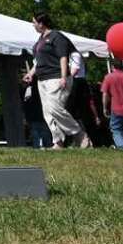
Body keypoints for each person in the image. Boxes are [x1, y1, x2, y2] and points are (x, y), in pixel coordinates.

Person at [25, 12, 90, 149]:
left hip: (56, 77)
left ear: (41, 23)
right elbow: (38, 61)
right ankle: (58, 142)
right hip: (42, 80)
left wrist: (63, 76)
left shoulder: (57, 37)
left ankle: (79, 134)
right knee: (47, 112)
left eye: (34, 22)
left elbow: (63, 57)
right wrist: (31, 73)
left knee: (55, 108)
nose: (33, 25)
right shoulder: (40, 40)